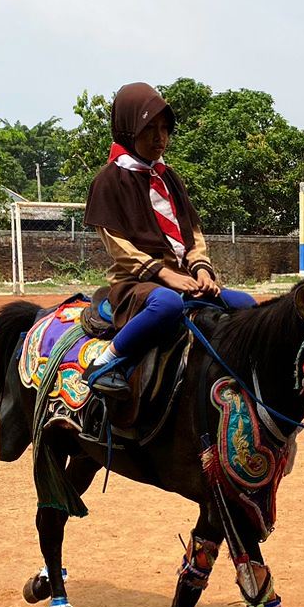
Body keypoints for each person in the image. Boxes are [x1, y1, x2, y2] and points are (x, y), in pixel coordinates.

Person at [82, 83, 255, 395]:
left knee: (246, 305)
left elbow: (193, 233)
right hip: (136, 283)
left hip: (183, 279)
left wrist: (202, 270)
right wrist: (163, 274)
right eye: (149, 128)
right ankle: (105, 362)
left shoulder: (169, 177)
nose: (159, 138)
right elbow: (117, 245)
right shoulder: (109, 180)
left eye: (164, 129)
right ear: (127, 129)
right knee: (167, 304)